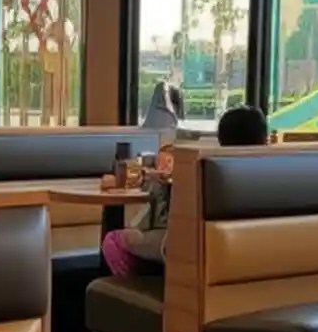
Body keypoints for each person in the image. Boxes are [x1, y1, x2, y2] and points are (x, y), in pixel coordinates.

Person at [101, 105, 268, 277]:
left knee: (113, 240)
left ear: (221, 139)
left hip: (190, 249)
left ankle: (138, 291)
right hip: (253, 257)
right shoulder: (275, 172)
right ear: (265, 138)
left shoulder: (211, 171)